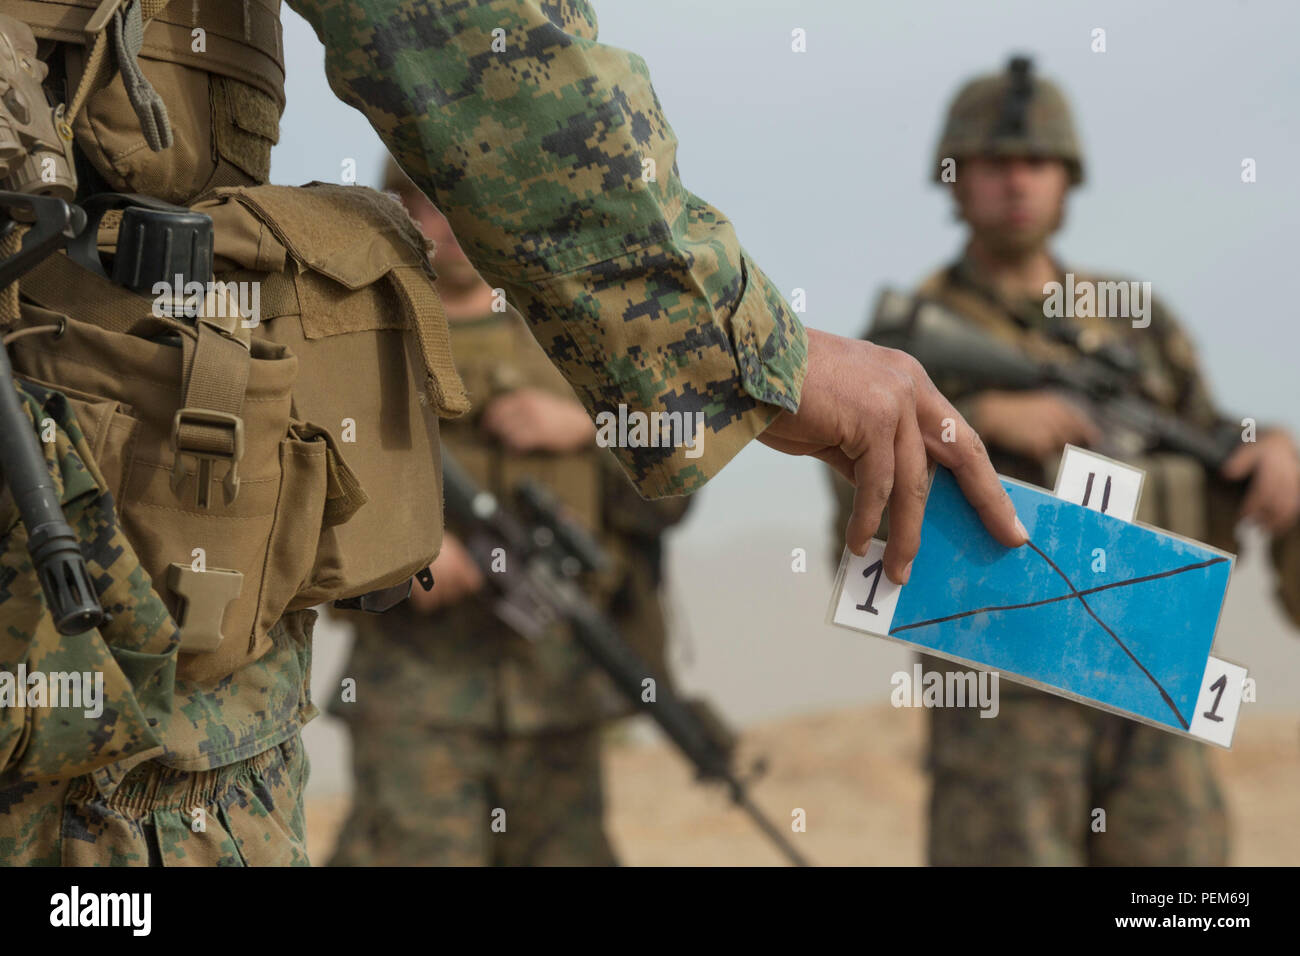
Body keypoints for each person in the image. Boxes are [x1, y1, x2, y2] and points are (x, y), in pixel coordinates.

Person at [0, 0, 1024, 866]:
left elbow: (645, 513)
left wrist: (586, 433)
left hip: (537, 691)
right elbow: (464, 35)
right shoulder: (410, 337)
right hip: (186, 639)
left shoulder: (542, 357)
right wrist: (746, 350)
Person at [831, 55, 1300, 866]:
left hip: (1150, 667)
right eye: (996, 163)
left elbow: (1210, 436)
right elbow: (855, 501)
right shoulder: (909, 341)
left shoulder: (1135, 324)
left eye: (1038, 163)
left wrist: (1272, 448)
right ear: (955, 177)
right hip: (1002, 686)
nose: (1018, 182)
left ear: (1068, 178)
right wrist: (979, 420)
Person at [325, 161, 688, 865]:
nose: (448, 226)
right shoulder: (357, 341)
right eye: (424, 205)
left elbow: (675, 488)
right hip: (417, 698)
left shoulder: (575, 342)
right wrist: (408, 555)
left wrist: (592, 428)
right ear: (395, 214)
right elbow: (307, 491)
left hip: (556, 695)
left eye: (463, 202)